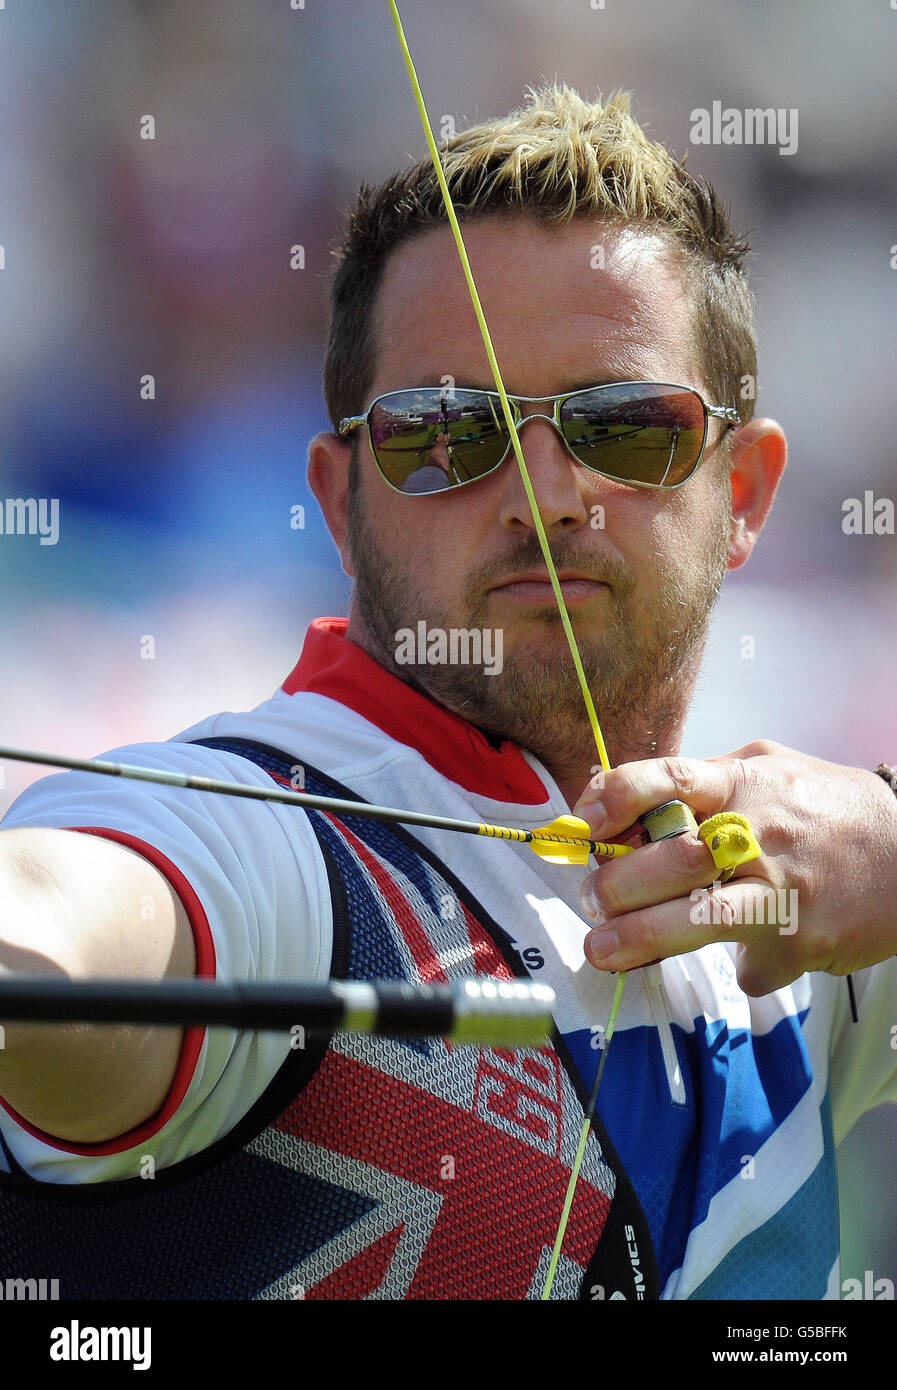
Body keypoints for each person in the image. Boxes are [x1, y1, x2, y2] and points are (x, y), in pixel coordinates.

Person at [1, 83, 895, 1302]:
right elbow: (67, 913)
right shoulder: (268, 848)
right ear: (338, 499)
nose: (543, 493)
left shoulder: (794, 906)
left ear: (743, 492)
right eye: (444, 432)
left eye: (625, 426)